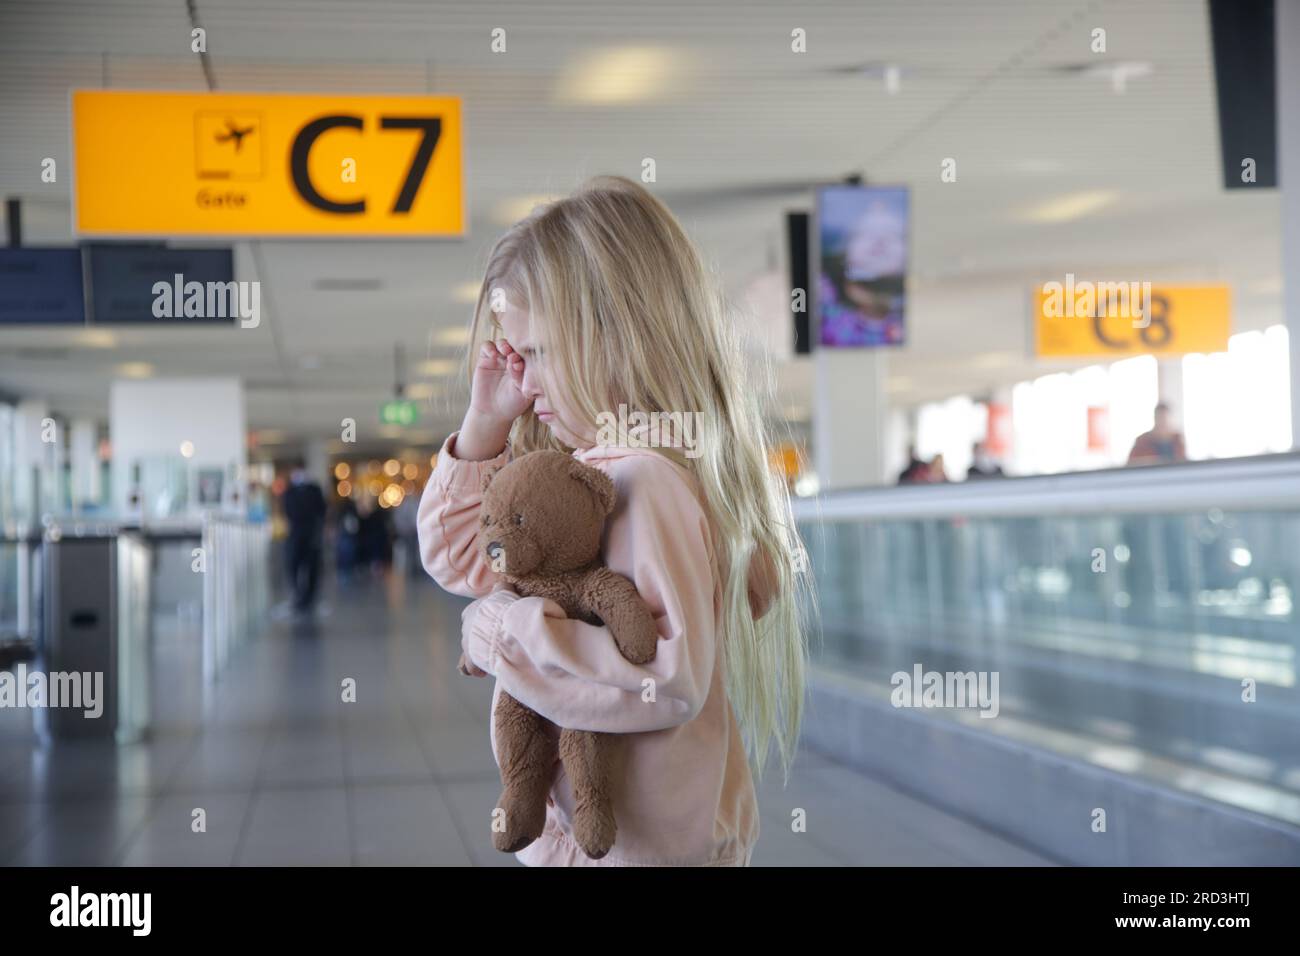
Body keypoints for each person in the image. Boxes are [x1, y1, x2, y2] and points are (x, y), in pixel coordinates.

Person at [417, 176, 808, 867]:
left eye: (534, 354)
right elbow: (467, 560)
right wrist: (484, 424)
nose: (524, 381)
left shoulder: (642, 481)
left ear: (615, 335)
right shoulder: (611, 470)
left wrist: (499, 632)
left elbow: (664, 679)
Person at [281, 459, 326, 617]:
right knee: (293, 565)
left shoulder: (314, 489)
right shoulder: (290, 491)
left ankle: (309, 597)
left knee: (312, 566)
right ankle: (298, 595)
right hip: (295, 535)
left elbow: (321, 510)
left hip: (311, 534)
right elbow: (287, 510)